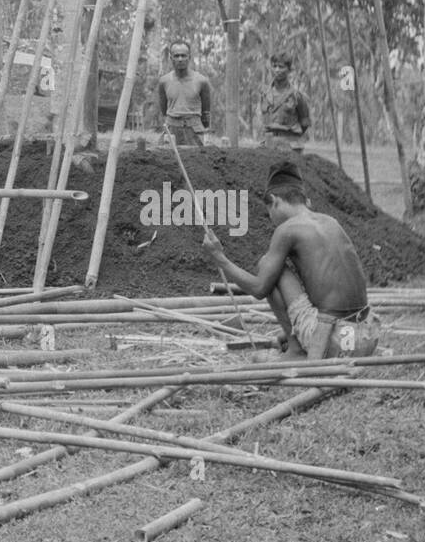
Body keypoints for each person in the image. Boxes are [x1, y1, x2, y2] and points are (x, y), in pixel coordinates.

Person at [202, 160, 378, 361]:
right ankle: (297, 340)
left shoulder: (287, 230)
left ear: (275, 201)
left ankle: (295, 351)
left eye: (269, 211)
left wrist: (219, 258)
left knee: (267, 266)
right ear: (306, 201)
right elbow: (328, 292)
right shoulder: (331, 223)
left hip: (335, 343)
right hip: (365, 338)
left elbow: (260, 288)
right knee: (288, 270)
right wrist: (290, 331)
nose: (271, 218)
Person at [157, 41, 212, 146]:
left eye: (183, 55)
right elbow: (164, 110)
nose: (180, 59)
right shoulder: (164, 81)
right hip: (171, 130)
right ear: (171, 58)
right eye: (176, 56)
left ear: (189, 57)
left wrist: (204, 132)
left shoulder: (201, 81)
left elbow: (206, 113)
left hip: (194, 130)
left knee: (199, 159)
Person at [259, 53, 312, 150]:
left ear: (289, 70)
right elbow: (265, 120)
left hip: (290, 144)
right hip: (269, 142)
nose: (277, 70)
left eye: (281, 67)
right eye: (274, 66)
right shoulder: (265, 94)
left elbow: (305, 123)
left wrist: (290, 135)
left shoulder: (297, 96)